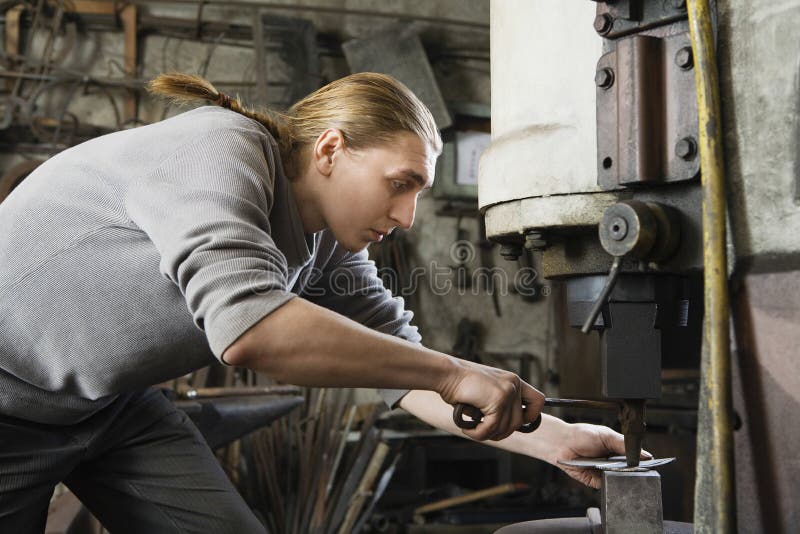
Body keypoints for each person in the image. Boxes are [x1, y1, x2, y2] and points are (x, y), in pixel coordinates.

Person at [0, 72, 639, 533]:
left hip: (111, 407)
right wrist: (454, 371)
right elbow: (251, 332)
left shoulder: (322, 247)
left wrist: (556, 440)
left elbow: (403, 373)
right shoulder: (222, 149)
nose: (409, 215)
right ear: (331, 150)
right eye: (401, 184)